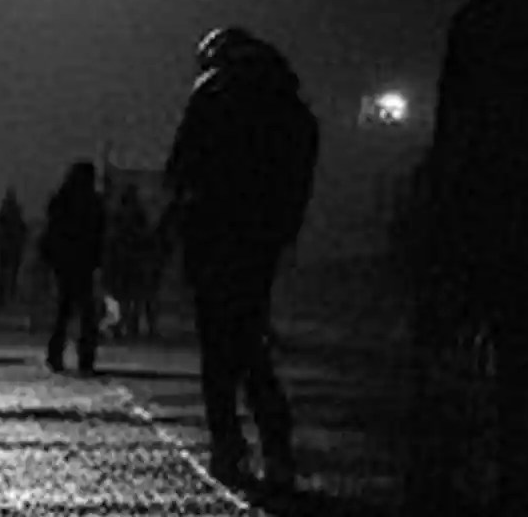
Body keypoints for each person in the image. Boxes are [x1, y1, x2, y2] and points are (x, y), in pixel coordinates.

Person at [164, 26, 319, 491]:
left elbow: (180, 166)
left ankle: (228, 448)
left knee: (218, 349)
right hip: (261, 240)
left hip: (214, 233)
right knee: (251, 342)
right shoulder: (289, 102)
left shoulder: (212, 91)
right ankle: (278, 449)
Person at [38, 161, 106, 375]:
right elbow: (99, 232)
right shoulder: (90, 202)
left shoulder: (63, 199)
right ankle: (85, 357)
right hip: (81, 261)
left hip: (67, 261)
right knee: (84, 312)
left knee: (66, 310)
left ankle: (57, 353)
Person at [107, 186, 153, 339]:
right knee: (132, 296)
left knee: (125, 296)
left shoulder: (120, 216)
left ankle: (124, 324)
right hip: (132, 259)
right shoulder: (137, 216)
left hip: (125, 260)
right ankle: (130, 325)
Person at [0, 189, 28, 305]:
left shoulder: (12, 210)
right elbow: (0, 225)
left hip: (12, 245)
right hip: (8, 245)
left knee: (10, 272)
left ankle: (7, 294)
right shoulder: (6, 210)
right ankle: (4, 294)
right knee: (6, 272)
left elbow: (22, 227)